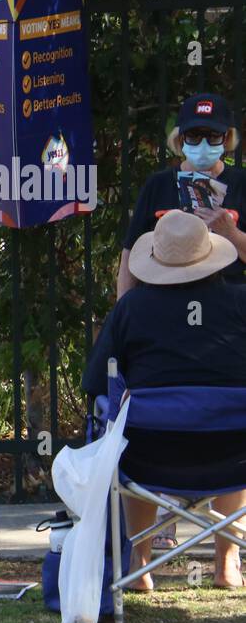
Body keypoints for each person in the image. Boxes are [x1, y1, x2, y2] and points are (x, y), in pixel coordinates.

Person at [85, 209, 246, 589]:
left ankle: (140, 561)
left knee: (128, 431)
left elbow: (95, 382)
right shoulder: (242, 303)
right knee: (234, 423)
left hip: (150, 460)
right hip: (235, 458)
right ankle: (227, 562)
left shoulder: (132, 308)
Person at [118, 92, 245, 297]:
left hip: (226, 313)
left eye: (213, 136)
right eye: (194, 136)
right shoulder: (157, 185)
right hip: (164, 307)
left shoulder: (242, 184)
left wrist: (232, 234)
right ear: (180, 138)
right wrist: (122, 316)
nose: (203, 144)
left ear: (227, 138)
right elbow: (129, 255)